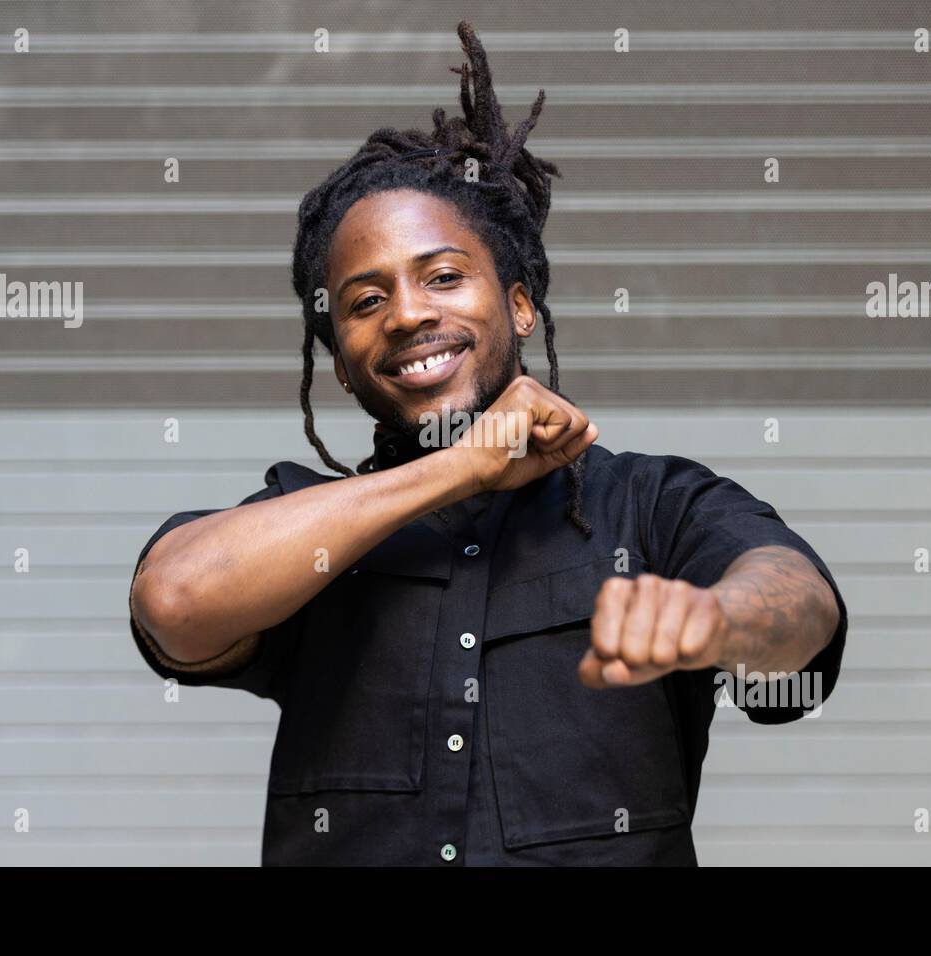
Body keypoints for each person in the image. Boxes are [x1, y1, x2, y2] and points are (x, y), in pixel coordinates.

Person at [128, 20, 848, 866]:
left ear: (519, 306)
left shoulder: (652, 505)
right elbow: (172, 601)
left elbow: (802, 606)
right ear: (342, 366)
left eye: (442, 277)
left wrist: (714, 616)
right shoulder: (307, 524)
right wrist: (458, 467)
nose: (405, 314)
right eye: (364, 302)